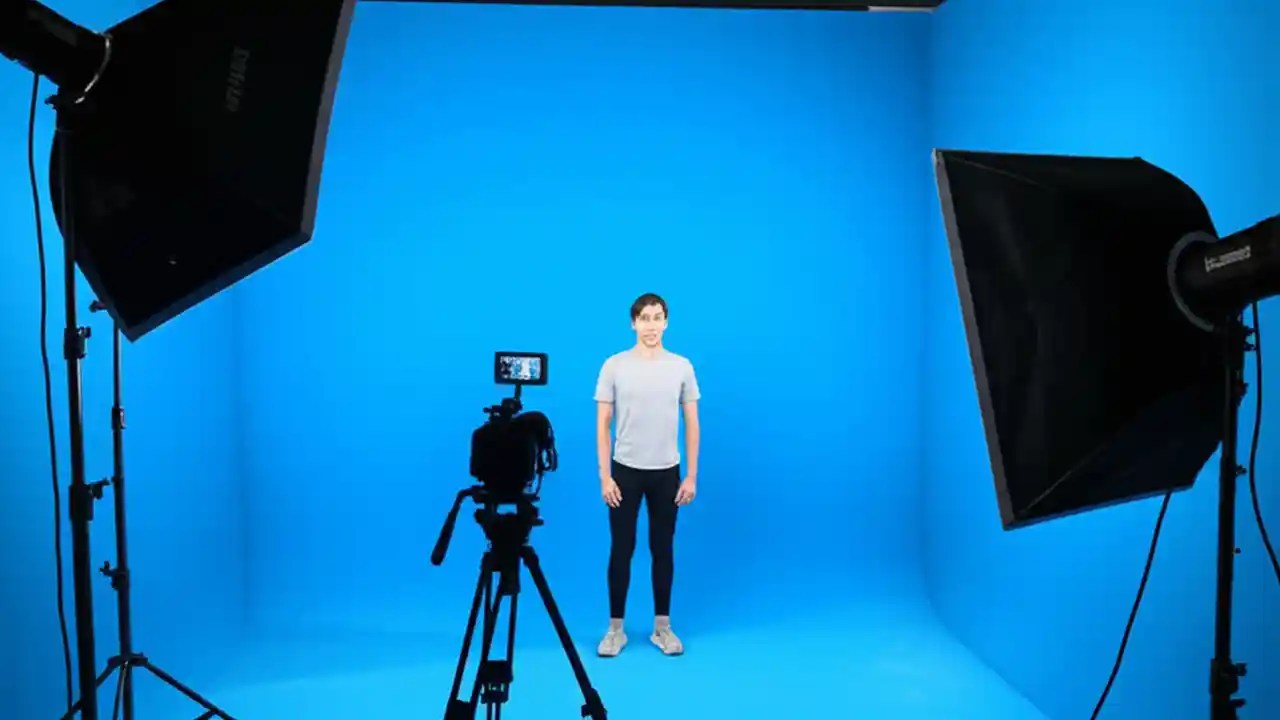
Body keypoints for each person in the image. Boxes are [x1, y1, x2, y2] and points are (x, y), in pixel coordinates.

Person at [593, 292, 700, 658]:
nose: (651, 325)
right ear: (633, 323)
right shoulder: (614, 366)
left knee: (662, 549)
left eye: (657, 317)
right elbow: (602, 425)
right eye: (644, 318)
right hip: (625, 471)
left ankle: (662, 627)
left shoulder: (681, 366)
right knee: (621, 549)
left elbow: (692, 424)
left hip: (666, 472)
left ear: (666, 322)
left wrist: (691, 476)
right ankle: (615, 629)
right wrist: (605, 477)